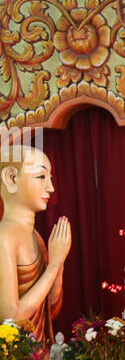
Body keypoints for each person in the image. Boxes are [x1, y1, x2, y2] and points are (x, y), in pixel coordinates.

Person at [0, 143, 70, 343]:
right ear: (11, 178)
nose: (51, 188)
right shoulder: (5, 237)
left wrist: (60, 262)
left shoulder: (36, 236)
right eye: (41, 177)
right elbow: (10, 318)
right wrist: (54, 265)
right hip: (13, 359)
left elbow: (50, 307)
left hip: (40, 352)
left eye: (50, 178)